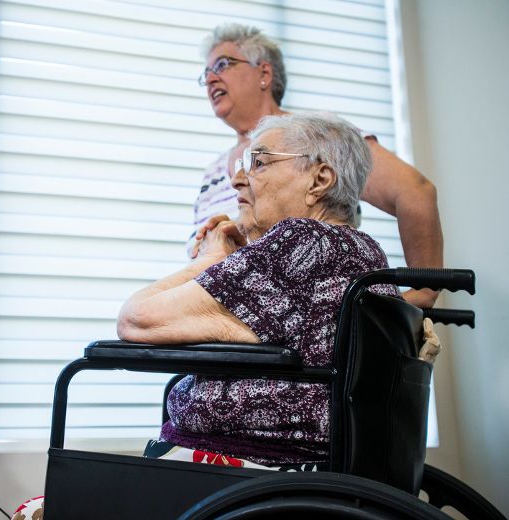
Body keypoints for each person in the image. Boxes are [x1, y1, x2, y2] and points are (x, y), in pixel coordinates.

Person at [118, 113, 400, 467]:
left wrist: (210, 258)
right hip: (301, 463)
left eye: (259, 162)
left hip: (250, 470)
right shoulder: (364, 249)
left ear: (319, 180)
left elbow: (136, 320)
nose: (237, 180)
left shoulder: (300, 240)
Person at [191, 23, 442, 309]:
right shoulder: (211, 176)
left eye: (223, 64)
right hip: (219, 324)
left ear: (264, 73)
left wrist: (424, 292)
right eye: (205, 73)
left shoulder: (318, 138)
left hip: (296, 328)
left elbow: (415, 192)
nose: (210, 79)